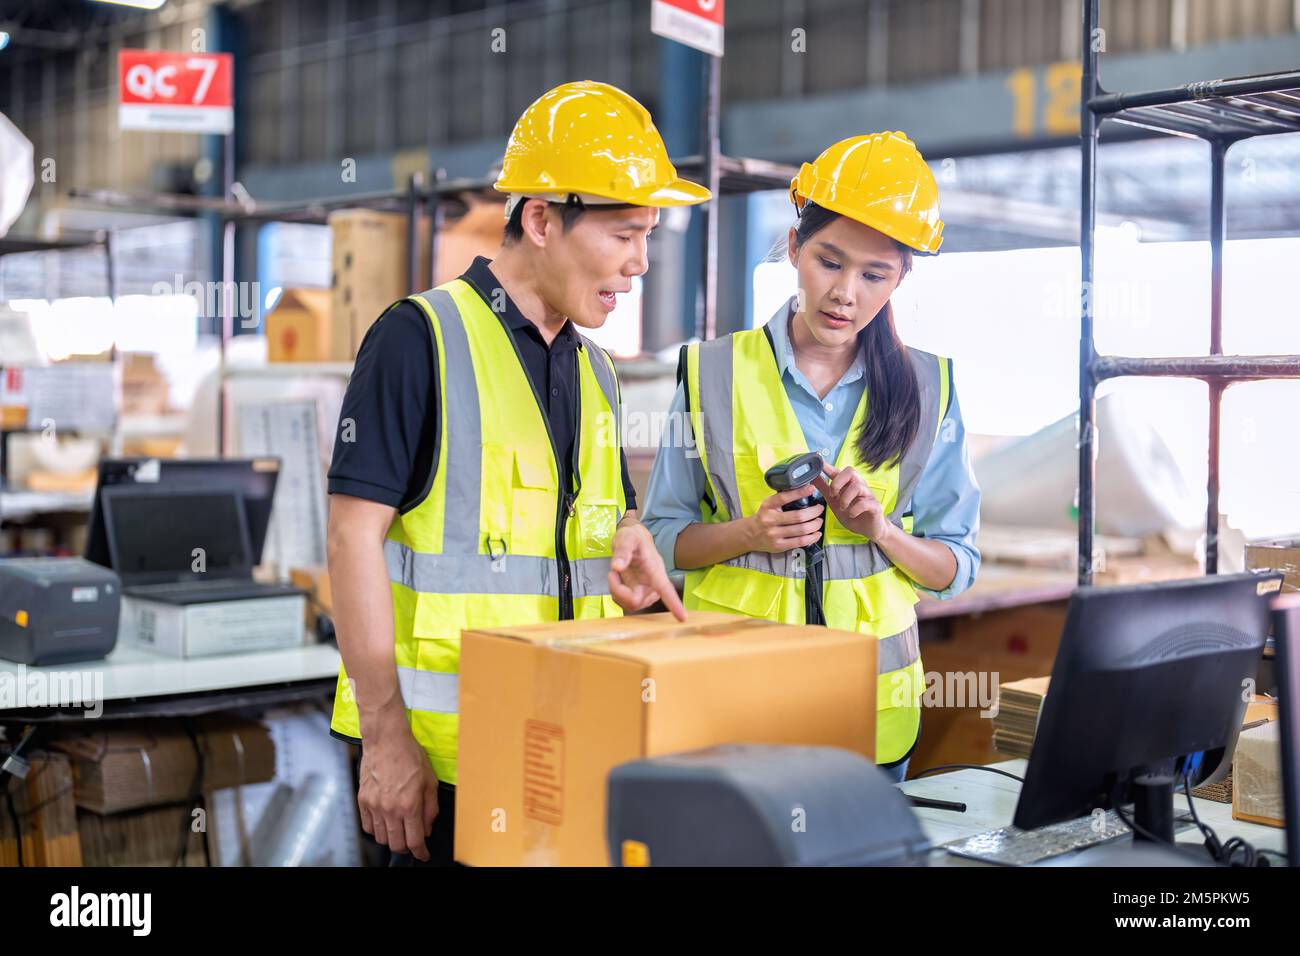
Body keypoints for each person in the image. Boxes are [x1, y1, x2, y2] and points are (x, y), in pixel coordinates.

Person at [326, 81, 708, 865]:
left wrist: (628, 540)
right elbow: (350, 540)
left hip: (559, 742)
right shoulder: (417, 339)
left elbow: (597, 518)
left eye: (650, 235)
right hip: (440, 758)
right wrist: (385, 733)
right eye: (625, 233)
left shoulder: (596, 370)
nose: (641, 262)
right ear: (540, 218)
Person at [642, 131, 981, 782]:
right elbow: (660, 540)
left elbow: (955, 566)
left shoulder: (930, 390)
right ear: (794, 247)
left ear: (899, 277)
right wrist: (749, 533)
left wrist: (880, 532)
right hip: (732, 708)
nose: (844, 293)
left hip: (872, 722)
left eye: (873, 274)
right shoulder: (712, 373)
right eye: (829, 261)